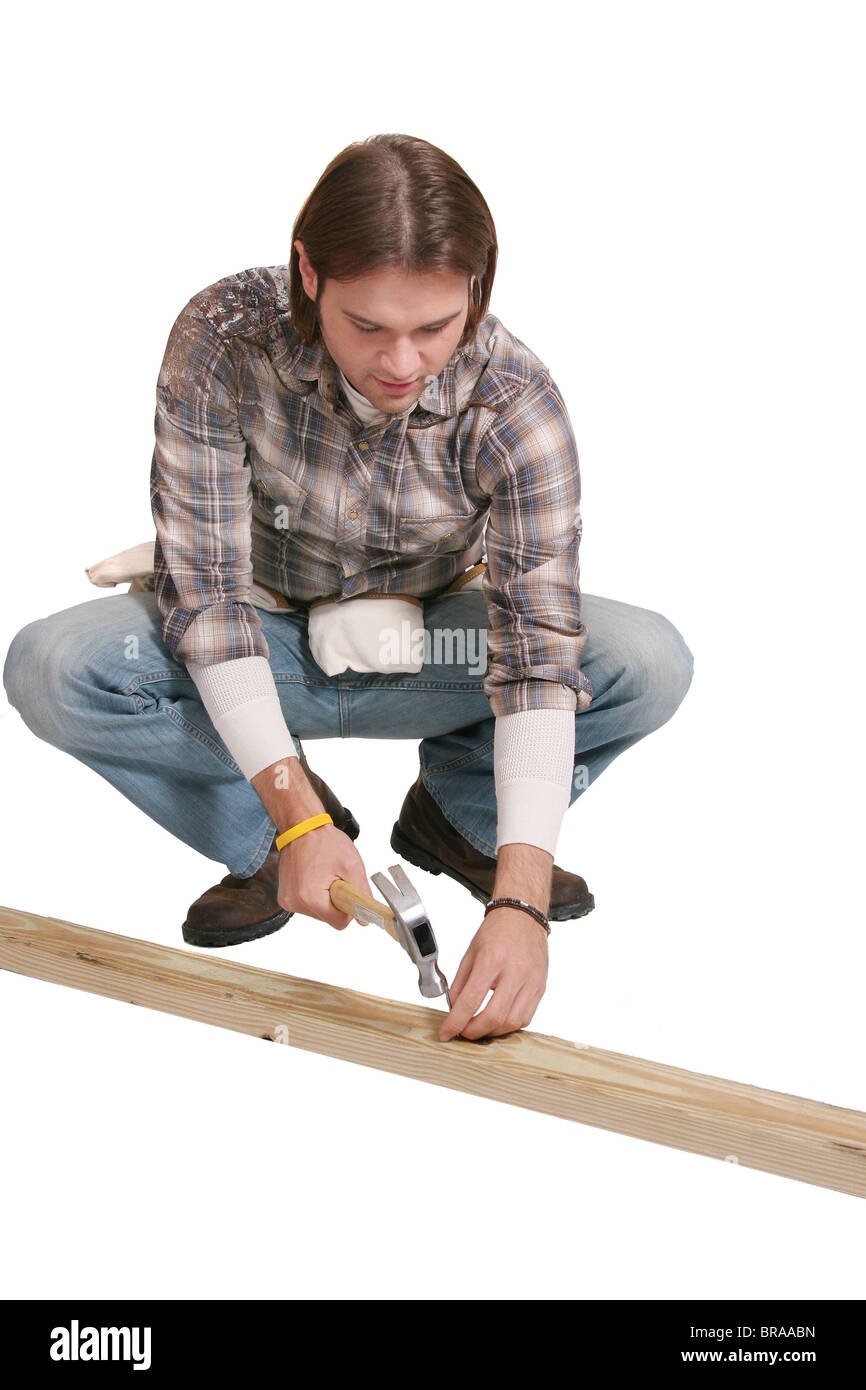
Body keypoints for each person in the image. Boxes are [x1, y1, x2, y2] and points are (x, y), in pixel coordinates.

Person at [2, 133, 694, 1042]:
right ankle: (269, 835)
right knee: (55, 666)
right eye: (368, 326)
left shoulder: (517, 405)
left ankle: (460, 820)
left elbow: (535, 659)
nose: (401, 362)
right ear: (310, 275)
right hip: (261, 636)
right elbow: (207, 603)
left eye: (435, 328)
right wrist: (294, 815)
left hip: (431, 650)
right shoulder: (223, 339)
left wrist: (521, 903)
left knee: (644, 662)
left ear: (476, 294)